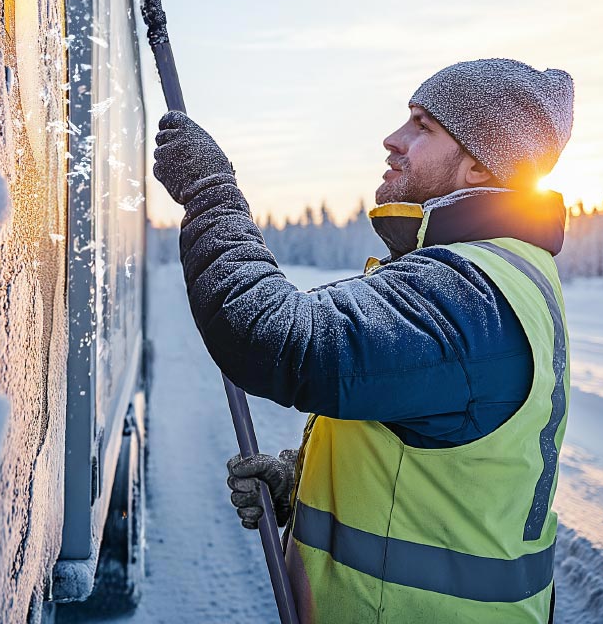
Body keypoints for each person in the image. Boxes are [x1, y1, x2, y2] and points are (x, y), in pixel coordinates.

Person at [151, 58, 574, 623]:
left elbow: (276, 337)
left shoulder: (466, 293)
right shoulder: (494, 275)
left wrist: (210, 192)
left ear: (478, 165)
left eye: (423, 126)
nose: (393, 140)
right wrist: (300, 486)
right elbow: (427, 442)